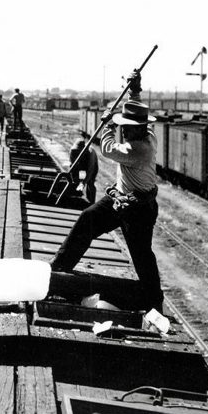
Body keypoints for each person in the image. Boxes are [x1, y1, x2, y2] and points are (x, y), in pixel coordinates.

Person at [50, 99, 163, 313]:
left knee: (141, 256)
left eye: (127, 128)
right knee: (88, 218)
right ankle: (59, 267)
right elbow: (135, 111)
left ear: (137, 128)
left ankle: (154, 300)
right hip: (119, 198)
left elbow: (107, 148)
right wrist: (135, 88)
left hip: (137, 209)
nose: (125, 132)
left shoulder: (138, 149)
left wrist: (108, 124)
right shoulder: (149, 133)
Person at [68, 138, 99, 204]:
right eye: (76, 151)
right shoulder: (72, 151)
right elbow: (72, 165)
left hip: (91, 165)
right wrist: (74, 179)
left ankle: (91, 202)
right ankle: (79, 196)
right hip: (81, 165)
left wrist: (83, 182)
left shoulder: (90, 153)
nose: (77, 152)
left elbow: (90, 170)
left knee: (90, 182)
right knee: (79, 180)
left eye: (79, 151)